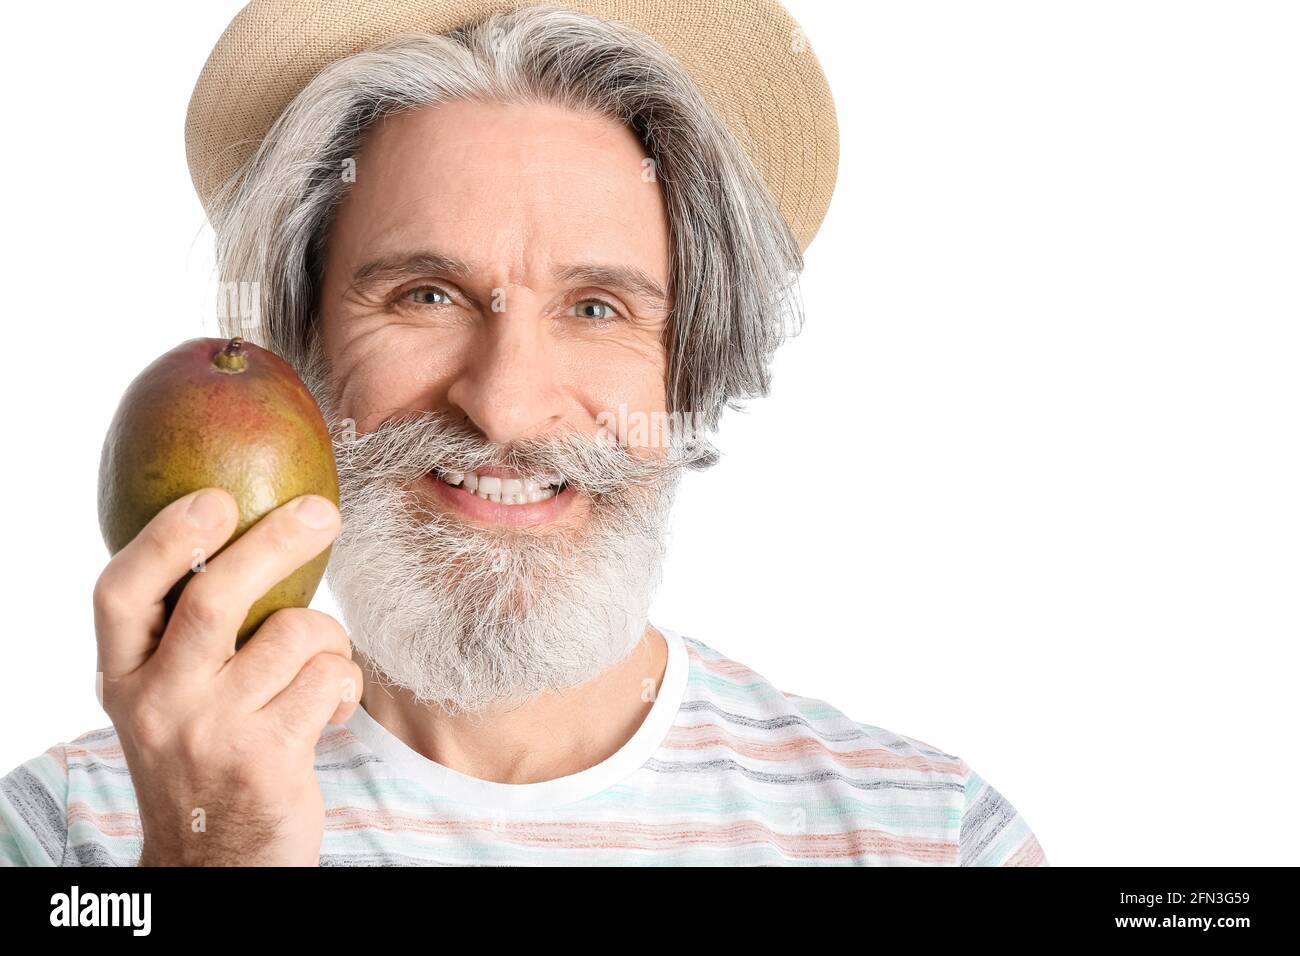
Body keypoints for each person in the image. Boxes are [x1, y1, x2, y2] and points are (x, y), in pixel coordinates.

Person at [0, 1, 1046, 866]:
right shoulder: (61, 838)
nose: (503, 406)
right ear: (299, 348)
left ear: (692, 358)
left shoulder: (935, 839)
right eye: (424, 294)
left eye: (597, 308)